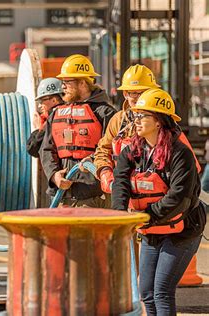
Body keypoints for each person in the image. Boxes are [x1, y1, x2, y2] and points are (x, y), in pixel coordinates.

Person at [111, 88, 206, 315]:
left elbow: (179, 197)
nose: (137, 120)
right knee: (146, 292)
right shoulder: (133, 151)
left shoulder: (180, 154)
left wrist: (145, 216)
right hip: (152, 230)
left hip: (183, 230)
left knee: (161, 291)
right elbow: (120, 182)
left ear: (159, 121)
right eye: (136, 115)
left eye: (143, 115)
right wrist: (120, 215)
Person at [93, 65, 201, 193]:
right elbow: (103, 150)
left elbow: (190, 167)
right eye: (134, 93)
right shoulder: (118, 121)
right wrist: (105, 172)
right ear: (125, 94)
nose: (140, 97)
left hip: (157, 201)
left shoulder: (164, 122)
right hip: (124, 197)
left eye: (144, 92)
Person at [39, 54, 116, 207]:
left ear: (82, 83)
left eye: (67, 82)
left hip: (94, 199)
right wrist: (54, 176)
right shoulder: (56, 113)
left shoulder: (105, 113)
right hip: (62, 199)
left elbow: (112, 150)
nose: (63, 86)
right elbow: (46, 149)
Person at [26, 77, 64, 157]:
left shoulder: (53, 119)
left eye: (42, 100)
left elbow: (33, 148)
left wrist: (38, 129)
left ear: (54, 100)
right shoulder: (68, 112)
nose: (40, 105)